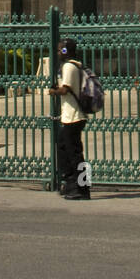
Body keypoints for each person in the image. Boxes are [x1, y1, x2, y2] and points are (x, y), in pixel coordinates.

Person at [48, 37, 91, 200]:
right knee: (64, 148)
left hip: (73, 116)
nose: (58, 52)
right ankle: (71, 183)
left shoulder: (69, 66)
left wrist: (54, 91)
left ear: (66, 51)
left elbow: (65, 90)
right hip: (71, 116)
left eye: (61, 50)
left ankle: (83, 188)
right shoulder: (76, 65)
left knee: (75, 154)